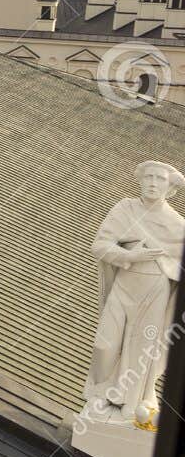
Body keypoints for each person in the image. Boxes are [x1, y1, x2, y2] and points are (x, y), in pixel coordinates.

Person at [84, 161, 185, 427]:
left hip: (155, 290)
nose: (153, 182)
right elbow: (100, 246)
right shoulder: (125, 209)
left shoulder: (178, 225)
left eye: (160, 178)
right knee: (106, 343)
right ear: (140, 181)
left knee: (143, 347)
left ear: (170, 187)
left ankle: (130, 401)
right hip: (124, 286)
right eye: (148, 177)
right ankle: (100, 392)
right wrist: (131, 255)